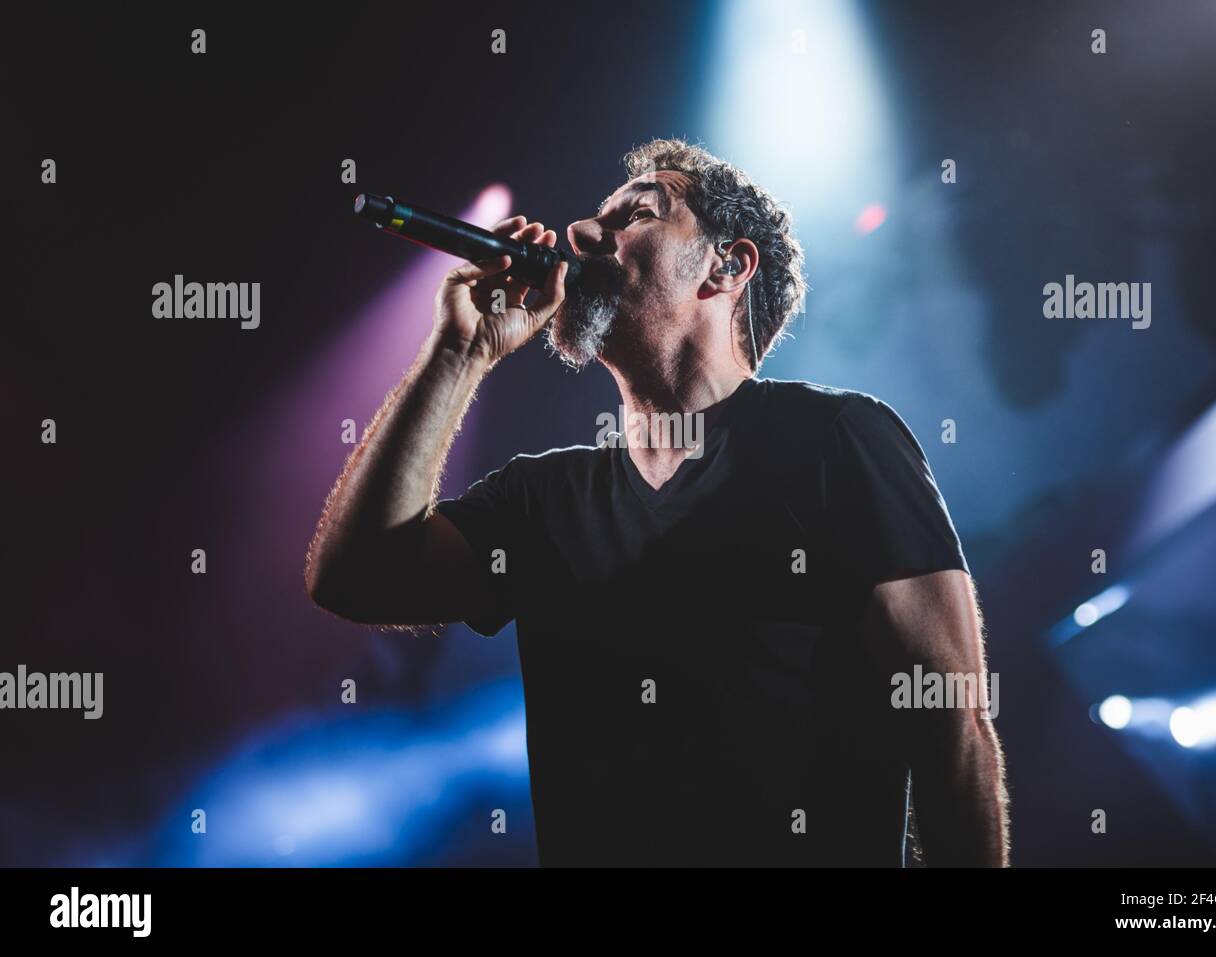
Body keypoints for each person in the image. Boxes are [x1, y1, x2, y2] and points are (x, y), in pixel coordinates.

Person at [305, 138, 1009, 866]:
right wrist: (460, 351)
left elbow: (949, 725)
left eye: (636, 214)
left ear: (726, 266)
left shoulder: (837, 440)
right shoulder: (541, 499)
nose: (581, 234)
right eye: (593, 220)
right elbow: (355, 574)